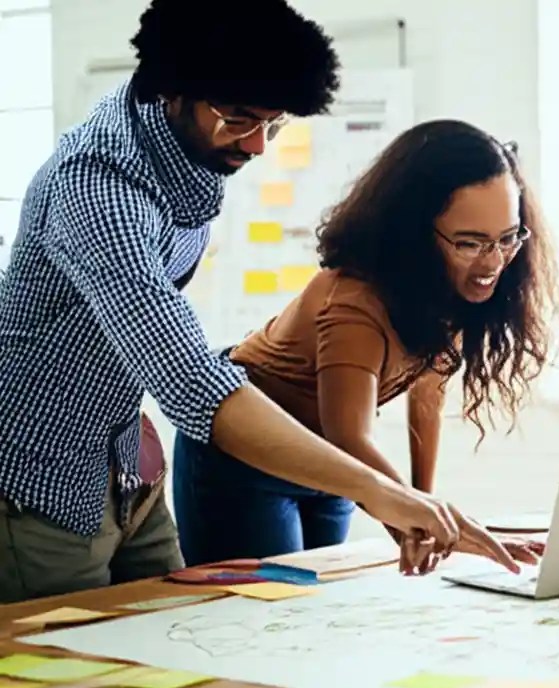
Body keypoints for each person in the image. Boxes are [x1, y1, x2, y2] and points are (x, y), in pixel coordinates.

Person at [0, 0, 516, 604]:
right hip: (39, 481)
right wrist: (384, 494)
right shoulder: (99, 188)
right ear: (172, 89)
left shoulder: (178, 152)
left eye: (274, 124)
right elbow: (191, 381)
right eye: (239, 119)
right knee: (59, 660)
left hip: (124, 471)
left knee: (182, 638)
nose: (258, 144)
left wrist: (407, 496)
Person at [171, 119, 559, 572]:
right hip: (247, 456)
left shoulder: (450, 288)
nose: (493, 262)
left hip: (335, 466)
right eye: (470, 243)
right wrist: (419, 519)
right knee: (271, 597)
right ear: (415, 234)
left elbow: (426, 392)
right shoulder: (355, 299)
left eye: (507, 238)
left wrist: (422, 503)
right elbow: (349, 435)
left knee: (316, 598)